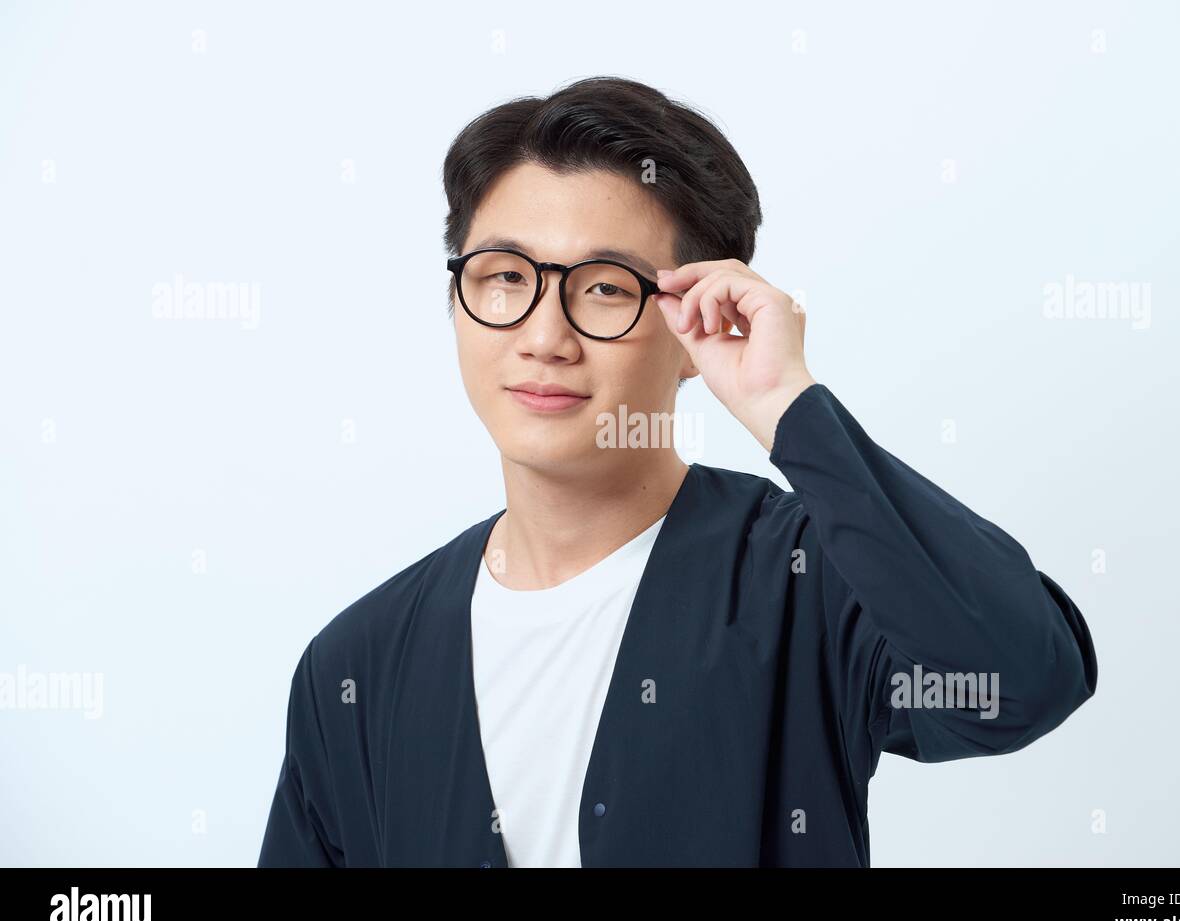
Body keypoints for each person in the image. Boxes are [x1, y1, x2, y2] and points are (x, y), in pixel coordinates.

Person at [257, 75, 1098, 867]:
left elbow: (1023, 681)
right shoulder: (354, 667)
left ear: (696, 322)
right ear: (456, 300)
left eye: (606, 289)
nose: (544, 335)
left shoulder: (809, 583)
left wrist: (787, 404)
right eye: (506, 277)